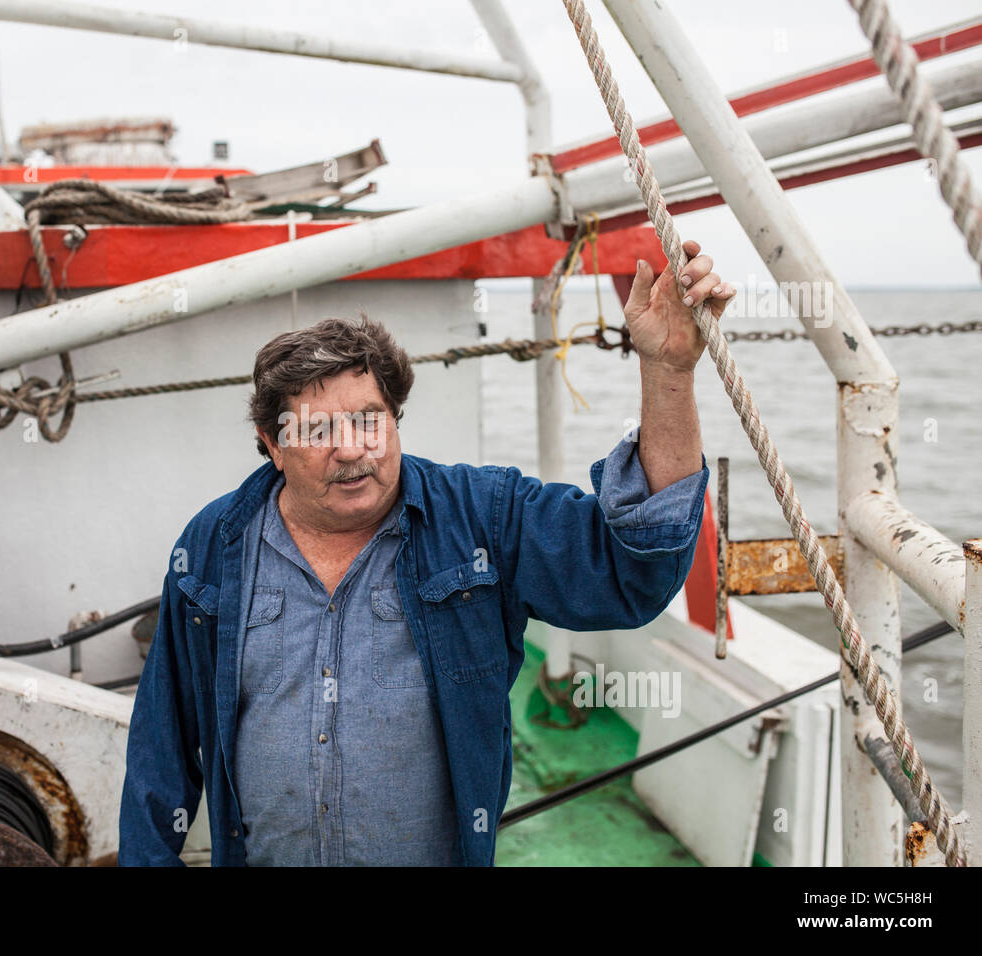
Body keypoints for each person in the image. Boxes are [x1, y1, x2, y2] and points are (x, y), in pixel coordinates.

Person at [119, 241, 735, 866]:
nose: (352, 449)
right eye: (316, 430)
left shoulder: (483, 518)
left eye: (370, 420)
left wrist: (668, 371)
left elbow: (631, 574)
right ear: (271, 445)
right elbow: (162, 739)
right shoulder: (211, 546)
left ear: (395, 417)